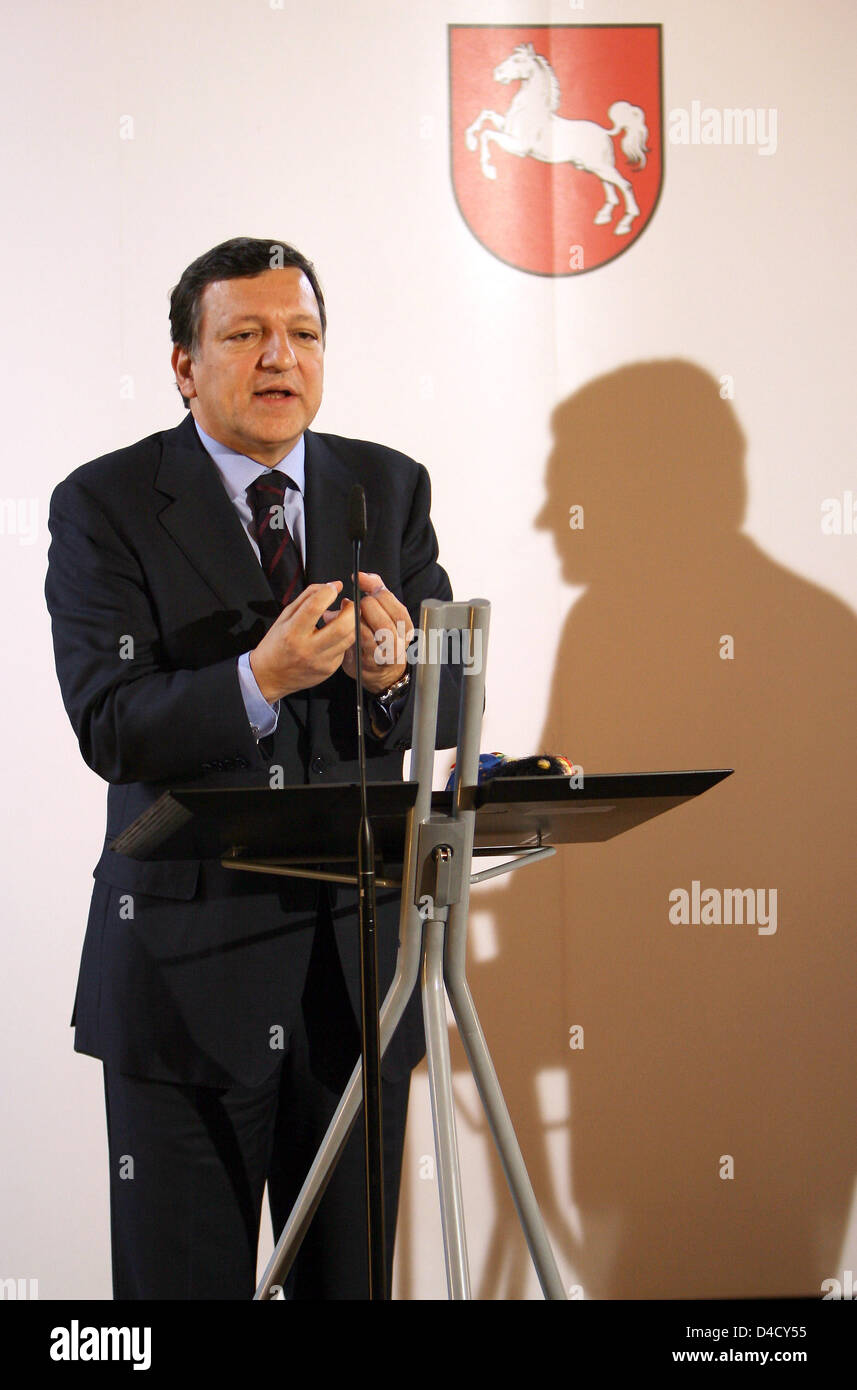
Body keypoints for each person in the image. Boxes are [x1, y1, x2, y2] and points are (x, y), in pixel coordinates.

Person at [44, 236, 461, 1299]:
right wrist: (254, 682)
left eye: (304, 334)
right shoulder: (105, 504)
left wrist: (386, 682)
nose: (281, 357)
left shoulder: (387, 486)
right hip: (186, 982)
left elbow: (448, 699)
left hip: (359, 986)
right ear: (184, 364)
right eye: (244, 335)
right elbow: (111, 725)